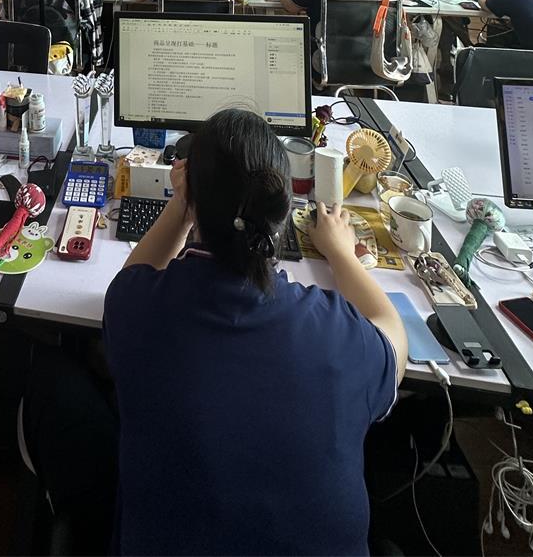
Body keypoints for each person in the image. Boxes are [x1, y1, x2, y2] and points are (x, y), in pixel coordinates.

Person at [104, 108, 405, 556]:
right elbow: (394, 336)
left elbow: (133, 275)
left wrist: (181, 206)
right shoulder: (338, 336)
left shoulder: (137, 306)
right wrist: (341, 252)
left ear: (194, 199)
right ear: (281, 208)